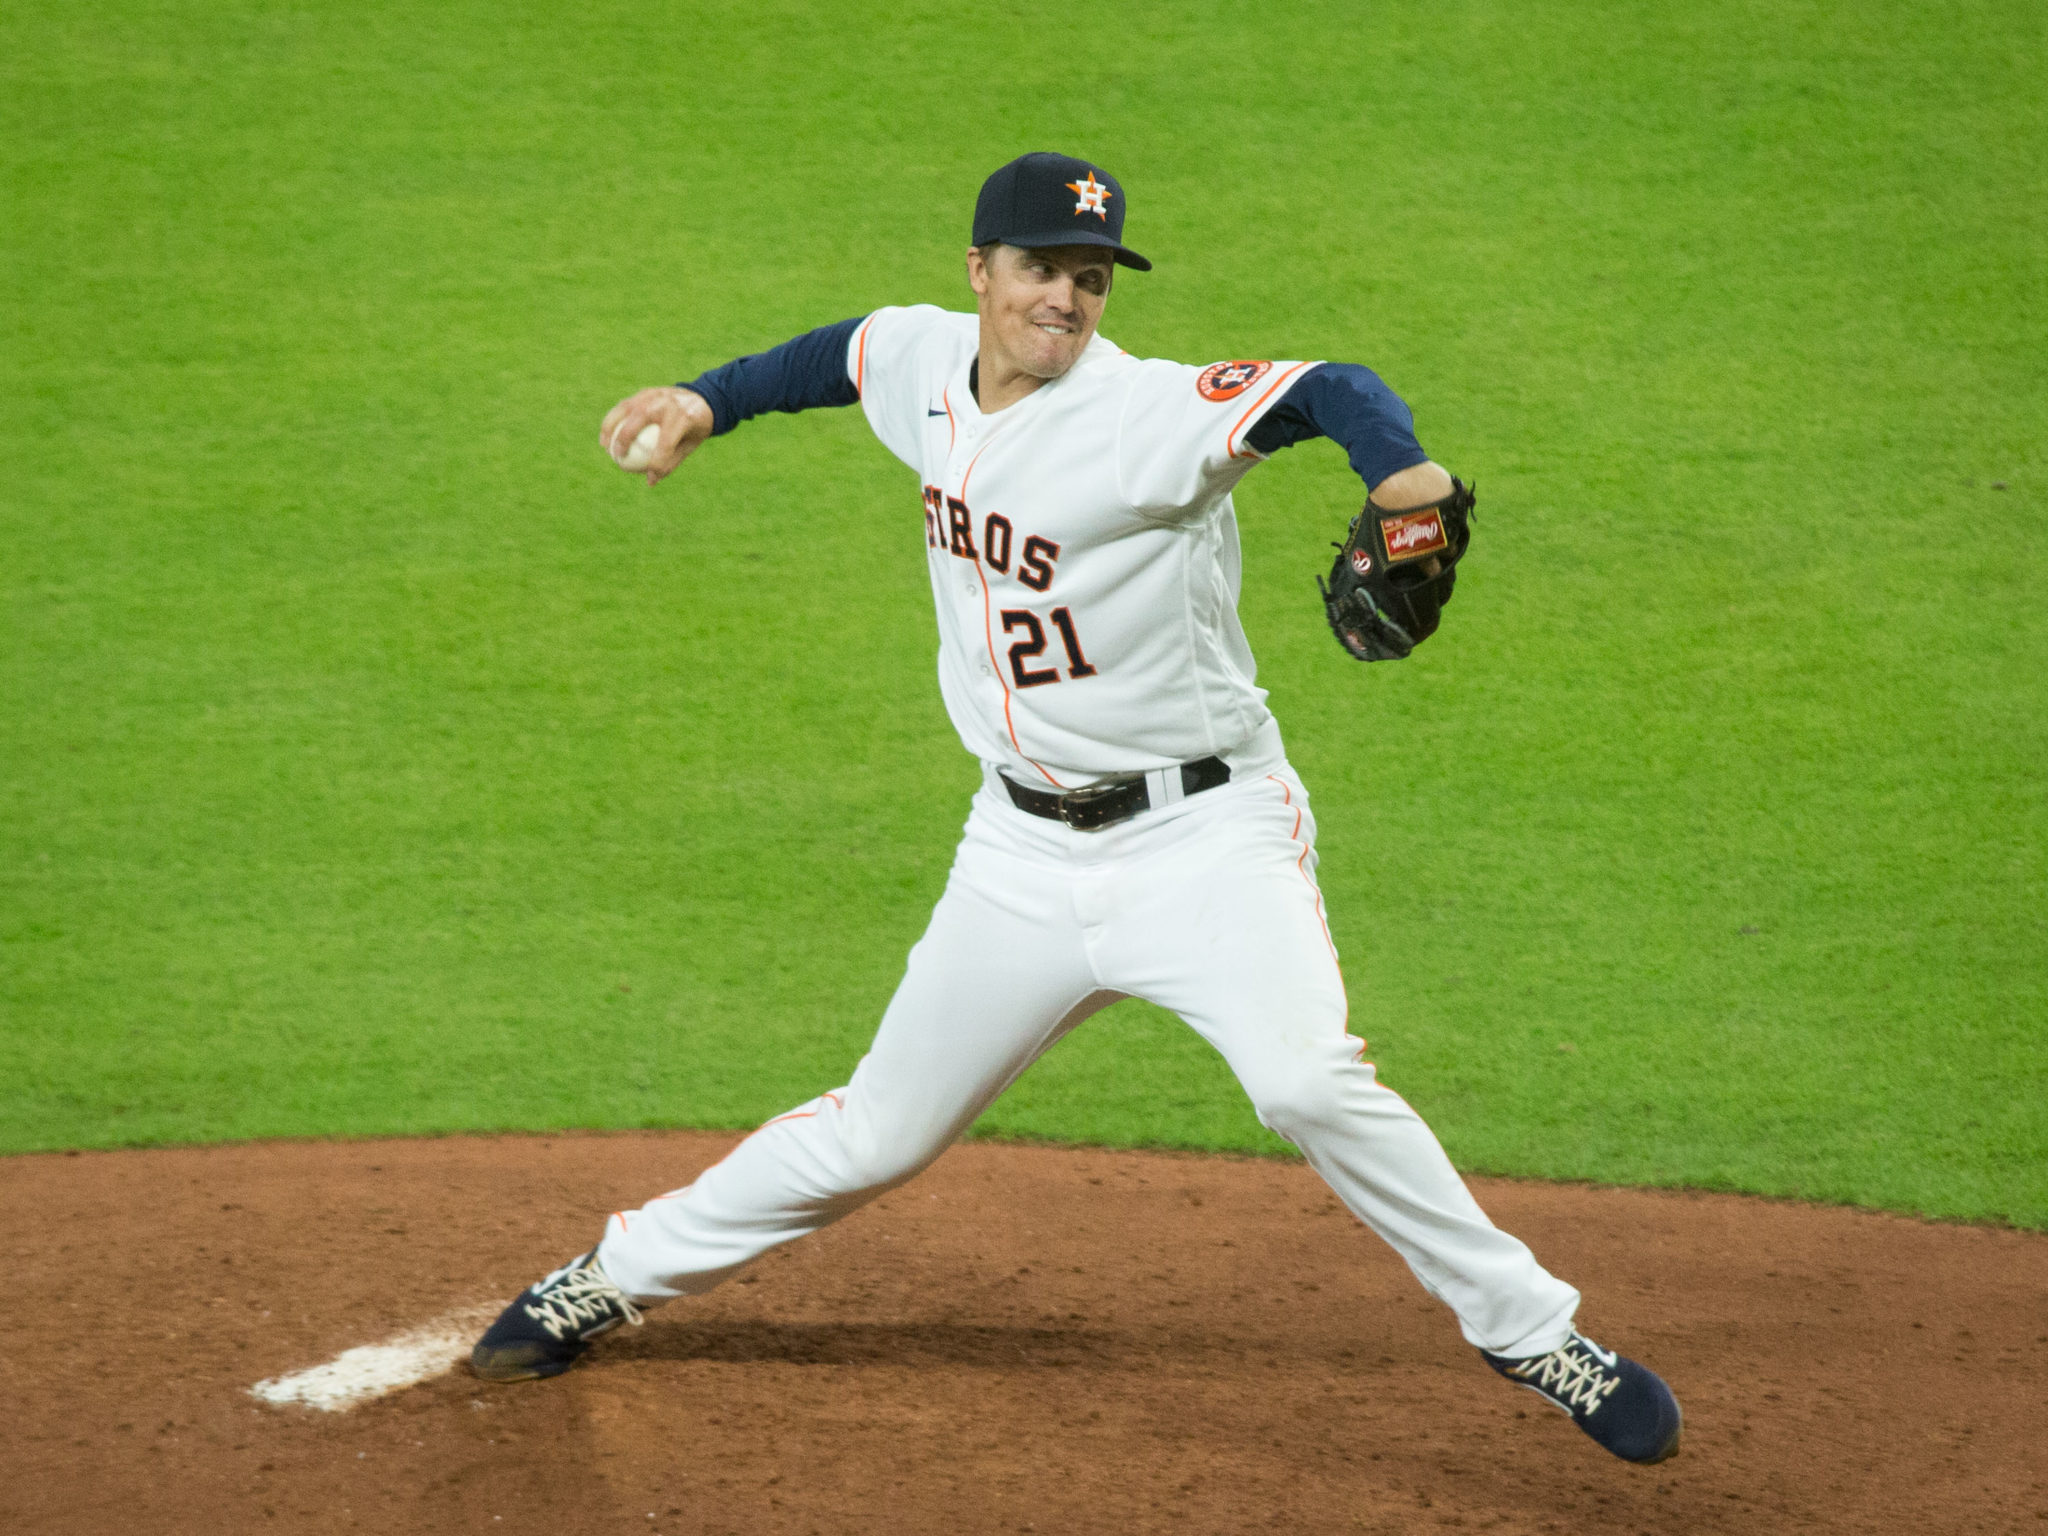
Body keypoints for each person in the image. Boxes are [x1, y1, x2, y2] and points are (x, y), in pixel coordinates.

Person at [470, 152, 1681, 1465]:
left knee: (1305, 1080)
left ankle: (1532, 1331)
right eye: (1043, 268)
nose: (1068, 299)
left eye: (1091, 277)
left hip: (1201, 839)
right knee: (880, 1130)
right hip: (1018, 857)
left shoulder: (1145, 419)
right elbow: (839, 355)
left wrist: (1405, 476)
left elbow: (1331, 391)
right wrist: (705, 402)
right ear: (981, 271)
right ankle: (612, 1275)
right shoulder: (929, 363)